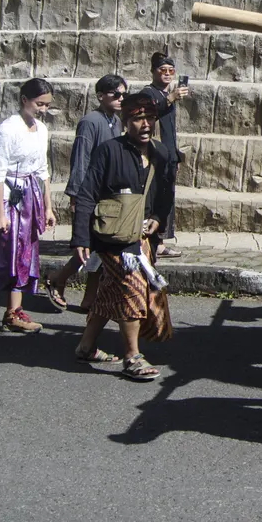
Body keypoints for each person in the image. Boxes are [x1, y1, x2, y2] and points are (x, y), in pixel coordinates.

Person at [71, 93, 177, 381]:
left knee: (109, 291)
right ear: (125, 121)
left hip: (142, 238)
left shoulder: (161, 152)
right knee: (132, 288)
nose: (145, 124)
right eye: (138, 119)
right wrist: (81, 239)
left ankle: (85, 347)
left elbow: (166, 193)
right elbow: (87, 194)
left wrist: (157, 219)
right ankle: (133, 356)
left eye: (150, 118)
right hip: (113, 238)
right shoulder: (108, 151)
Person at [0, 78, 58, 334]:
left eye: (47, 105)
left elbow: (43, 170)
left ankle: (13, 312)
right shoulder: (8, 128)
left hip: (30, 195)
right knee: (7, 257)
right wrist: (0, 212)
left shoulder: (41, 129)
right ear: (24, 100)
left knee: (26, 254)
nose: (43, 110)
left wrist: (47, 207)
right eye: (39, 104)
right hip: (6, 195)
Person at [43, 74, 127, 310]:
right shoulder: (90, 122)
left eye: (123, 94)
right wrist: (77, 196)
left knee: (101, 247)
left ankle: (89, 300)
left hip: (108, 194)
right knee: (90, 244)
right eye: (116, 94)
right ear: (101, 96)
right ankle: (58, 279)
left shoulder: (116, 122)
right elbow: (80, 158)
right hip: (89, 193)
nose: (121, 99)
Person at [140, 52, 187, 258]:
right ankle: (153, 241)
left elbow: (170, 130)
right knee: (155, 197)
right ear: (154, 72)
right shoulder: (148, 93)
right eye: (163, 70)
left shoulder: (169, 95)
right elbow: (147, 114)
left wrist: (175, 155)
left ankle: (160, 240)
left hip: (168, 154)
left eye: (171, 71)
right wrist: (169, 98)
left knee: (166, 197)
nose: (167, 74)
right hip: (155, 154)